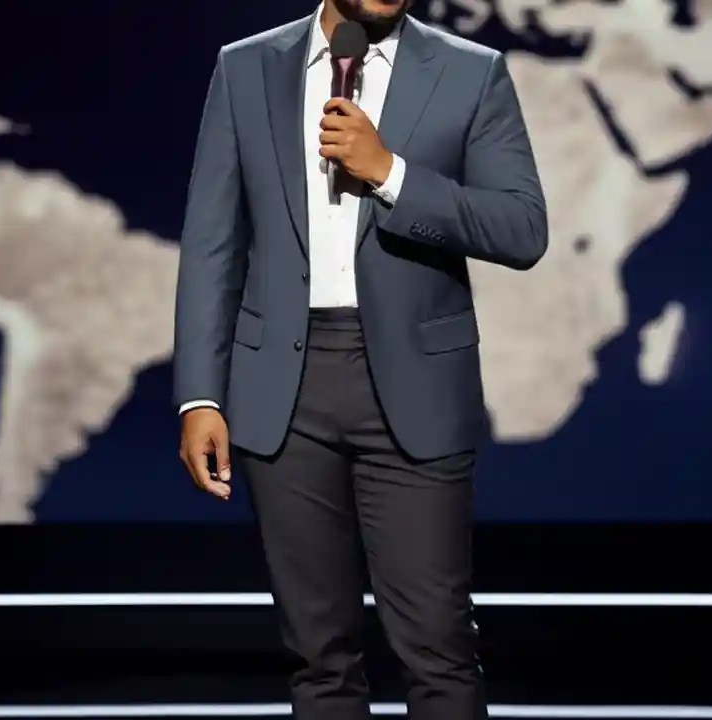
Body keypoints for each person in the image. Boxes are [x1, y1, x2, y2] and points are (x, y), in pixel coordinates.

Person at [174, 0, 547, 717]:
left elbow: (522, 228)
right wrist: (200, 395)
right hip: (284, 389)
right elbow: (212, 244)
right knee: (318, 657)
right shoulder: (246, 67)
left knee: (437, 651)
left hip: (413, 386)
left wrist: (391, 173)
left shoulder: (471, 73)